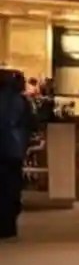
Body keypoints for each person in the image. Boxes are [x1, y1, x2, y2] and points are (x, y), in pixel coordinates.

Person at [0, 68, 36, 240]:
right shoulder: (20, 101)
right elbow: (30, 123)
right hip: (13, 150)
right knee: (11, 188)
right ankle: (8, 226)